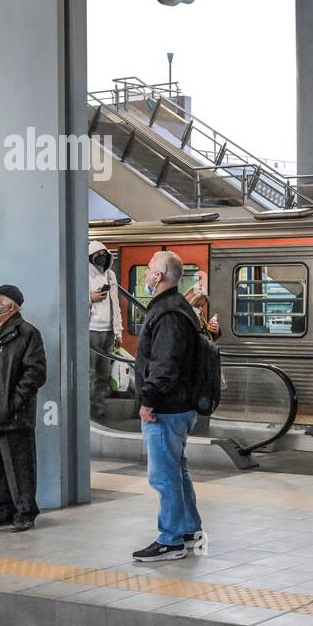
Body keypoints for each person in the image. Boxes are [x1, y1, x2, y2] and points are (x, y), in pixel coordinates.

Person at [131, 250, 205, 562]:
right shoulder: (177, 307)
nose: (147, 274)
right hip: (179, 405)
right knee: (177, 470)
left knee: (163, 476)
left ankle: (171, 539)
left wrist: (148, 401)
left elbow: (164, 365)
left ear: (159, 276)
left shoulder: (168, 313)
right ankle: (189, 529)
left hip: (167, 408)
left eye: (149, 269)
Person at [0, 285, 47, 532]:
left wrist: (14, 402)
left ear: (11, 305)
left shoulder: (27, 333)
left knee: (19, 464)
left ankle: (25, 511)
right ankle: (2, 509)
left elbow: (35, 373)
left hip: (13, 413)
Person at [87, 241, 122, 422]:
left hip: (108, 331)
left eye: (104, 254)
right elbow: (72, 302)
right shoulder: (83, 274)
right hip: (91, 330)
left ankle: (99, 411)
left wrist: (118, 331)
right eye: (97, 255)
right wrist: (90, 298)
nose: (101, 257)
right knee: (90, 374)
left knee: (103, 374)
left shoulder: (111, 276)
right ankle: (89, 414)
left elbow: (115, 304)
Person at [184, 271, 221, 341]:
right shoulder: (182, 320)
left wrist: (215, 331)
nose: (200, 309)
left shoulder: (201, 318)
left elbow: (207, 341)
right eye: (197, 306)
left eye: (202, 306)